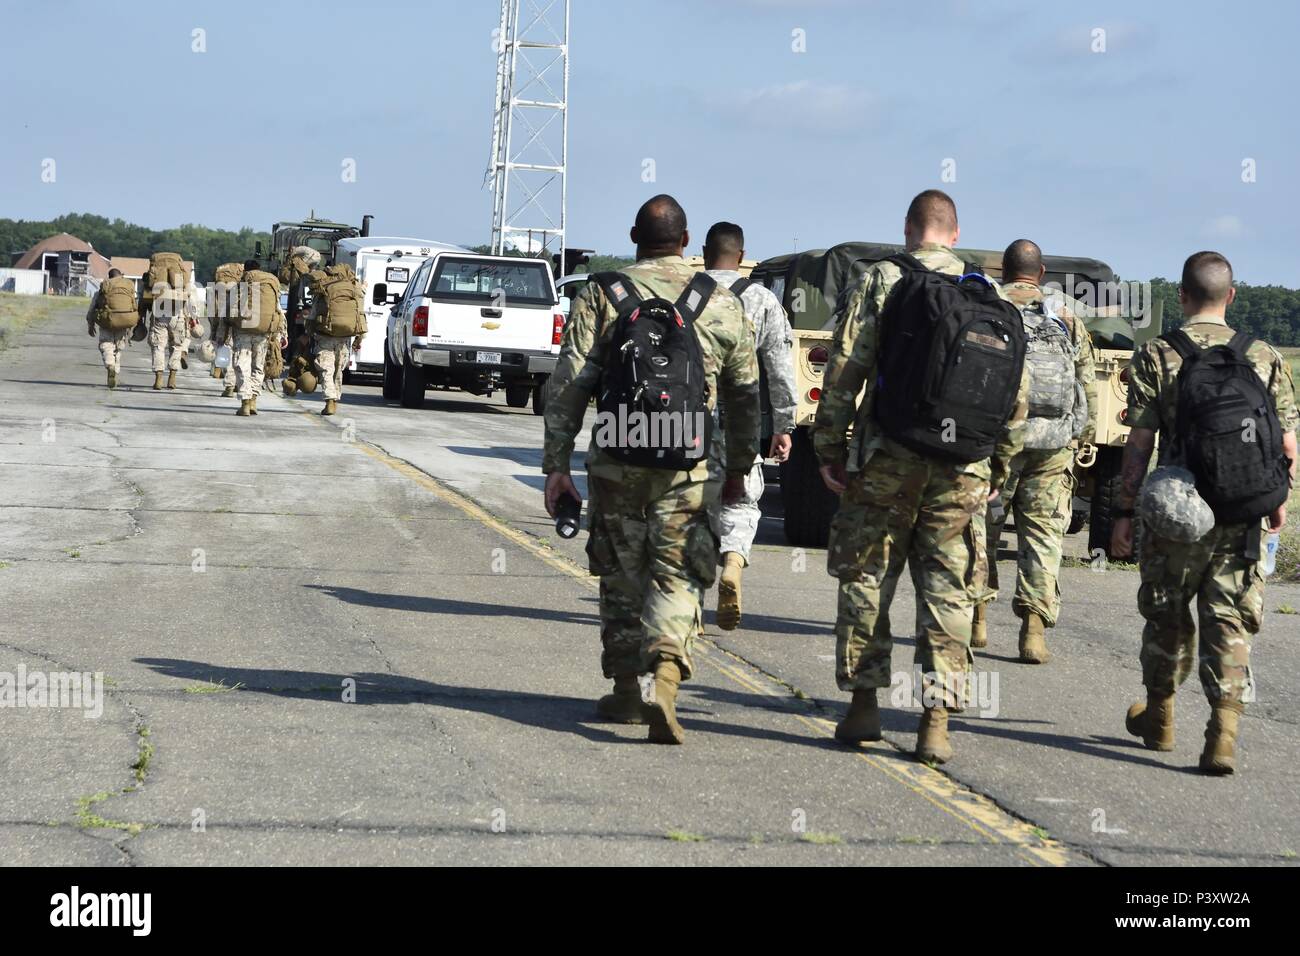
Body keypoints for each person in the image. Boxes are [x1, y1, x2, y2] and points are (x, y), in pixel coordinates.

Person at [813, 189, 1028, 763]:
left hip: (887, 455)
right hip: (963, 468)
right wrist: (995, 468)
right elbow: (1015, 398)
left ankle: (863, 705)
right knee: (948, 589)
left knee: (867, 577)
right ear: (955, 234)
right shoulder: (989, 292)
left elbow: (846, 366)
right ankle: (936, 720)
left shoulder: (881, 279)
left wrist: (830, 445)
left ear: (909, 229)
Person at [542, 194, 761, 745]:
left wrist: (556, 465)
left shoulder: (603, 292)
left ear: (633, 235)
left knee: (619, 568)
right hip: (688, 459)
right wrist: (738, 468)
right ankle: (666, 670)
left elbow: (569, 384)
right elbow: (744, 395)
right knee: (680, 569)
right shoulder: (718, 300)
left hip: (618, 453)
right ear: (686, 243)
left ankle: (623, 692)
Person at [1113, 251, 1296, 774]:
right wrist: (1277, 501)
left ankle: (1161, 719)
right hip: (1243, 510)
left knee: (1166, 612)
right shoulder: (1262, 355)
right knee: (1229, 617)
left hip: (1177, 510)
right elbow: (1286, 439)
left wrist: (1125, 510)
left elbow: (1140, 439)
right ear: (1231, 296)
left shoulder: (1157, 352)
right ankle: (1223, 733)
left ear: (1182, 296)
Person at [970, 239, 1097, 663]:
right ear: (1040, 274)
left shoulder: (987, 305)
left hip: (995, 440)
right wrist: (1083, 436)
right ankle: (1033, 631)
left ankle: (978, 621)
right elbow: (1086, 379)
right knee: (1042, 534)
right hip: (1053, 442)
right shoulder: (1064, 315)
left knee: (983, 530)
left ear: (1003, 272)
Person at [702, 222, 797, 631]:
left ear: (705, 252)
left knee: (690, 509)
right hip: (740, 420)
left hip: (685, 422)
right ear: (741, 257)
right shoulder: (760, 299)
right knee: (741, 502)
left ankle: (688, 611)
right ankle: (733, 566)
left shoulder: (685, 294)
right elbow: (780, 365)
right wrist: (783, 424)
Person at [308, 263, 367, 416]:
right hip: (345, 338)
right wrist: (359, 339)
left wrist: (309, 333)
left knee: (326, 369)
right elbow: (360, 316)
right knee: (338, 371)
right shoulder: (355, 289)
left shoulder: (324, 287)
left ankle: (329, 399)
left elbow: (313, 315)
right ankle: (335, 401)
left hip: (325, 336)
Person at [232, 259, 286, 417]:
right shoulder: (270, 283)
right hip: (264, 332)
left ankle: (245, 403)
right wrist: (281, 333)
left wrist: (222, 332)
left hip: (243, 332)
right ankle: (254, 399)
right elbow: (278, 310)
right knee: (258, 366)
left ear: (246, 270)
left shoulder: (243, 282)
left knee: (242, 366)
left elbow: (230, 309)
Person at [85, 268, 138, 389]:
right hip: (123, 322)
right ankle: (116, 373)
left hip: (107, 321)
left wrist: (90, 324)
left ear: (109, 277)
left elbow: (92, 309)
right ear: (120, 276)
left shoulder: (103, 289)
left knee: (106, 345)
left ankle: (110, 365)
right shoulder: (128, 288)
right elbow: (134, 306)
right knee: (118, 349)